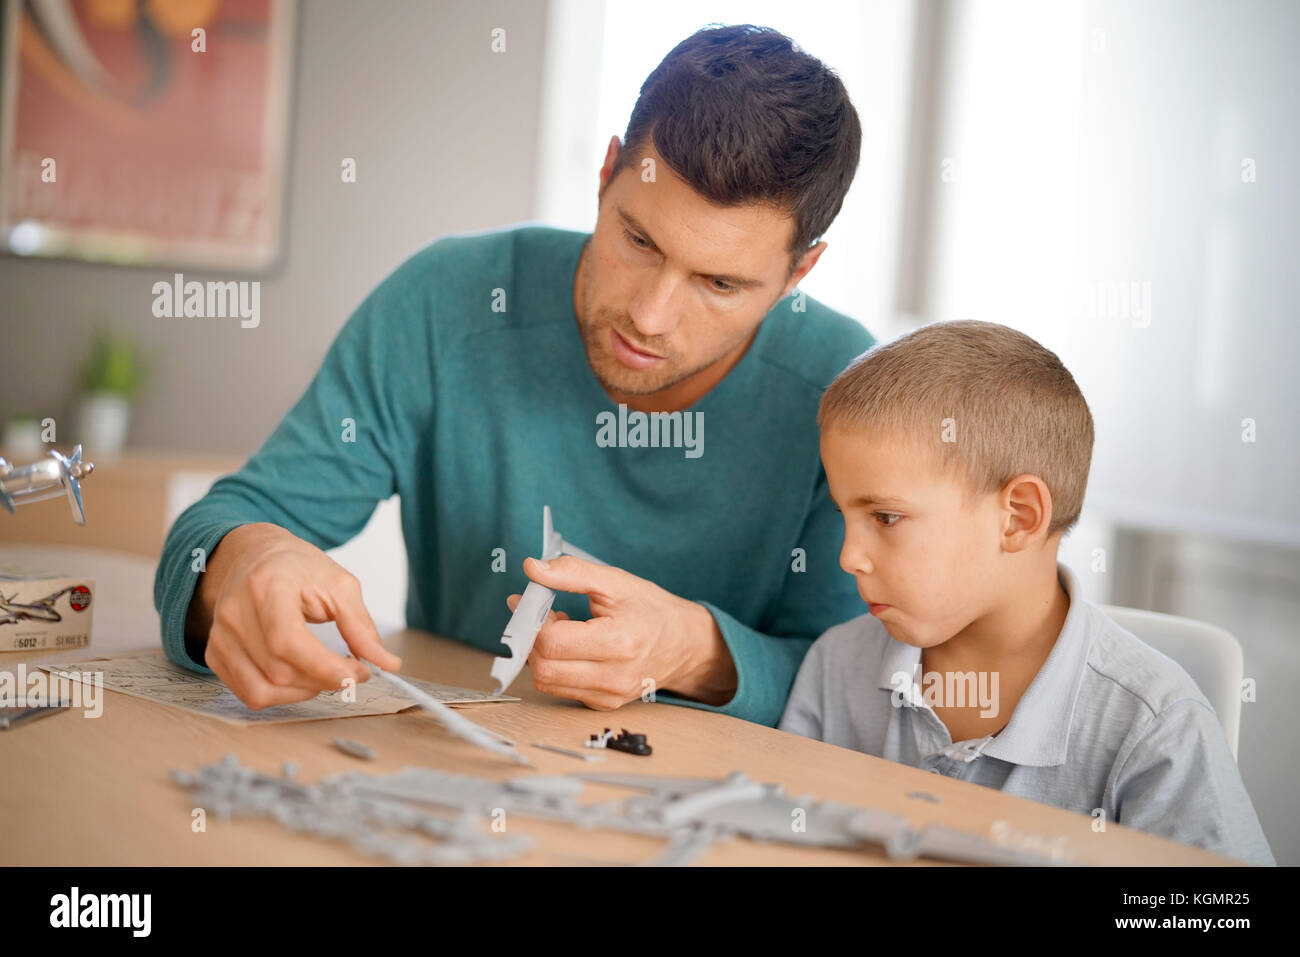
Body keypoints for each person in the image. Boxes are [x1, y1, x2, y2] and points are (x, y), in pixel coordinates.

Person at [155, 24, 872, 727]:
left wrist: (695, 652)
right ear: (606, 175)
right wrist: (241, 563)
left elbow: (855, 685)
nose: (650, 316)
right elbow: (212, 530)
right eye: (639, 239)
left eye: (718, 283)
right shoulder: (445, 301)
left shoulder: (848, 395)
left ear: (796, 273)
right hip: (451, 783)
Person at [779, 320, 1274, 864]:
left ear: (1017, 518)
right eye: (844, 515)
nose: (849, 556)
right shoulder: (837, 665)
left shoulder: (1155, 725)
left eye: (887, 517)